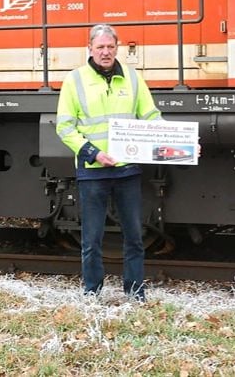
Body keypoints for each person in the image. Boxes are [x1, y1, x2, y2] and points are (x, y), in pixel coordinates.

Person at [56, 24, 162, 301]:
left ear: (118, 48)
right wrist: (93, 153)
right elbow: (65, 127)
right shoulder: (75, 80)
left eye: (110, 47)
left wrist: (179, 143)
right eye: (100, 47)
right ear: (90, 48)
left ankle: (135, 292)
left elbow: (151, 116)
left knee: (135, 238)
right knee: (91, 240)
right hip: (94, 171)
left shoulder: (133, 78)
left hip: (127, 170)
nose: (106, 52)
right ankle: (92, 292)